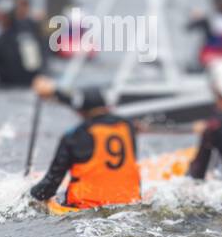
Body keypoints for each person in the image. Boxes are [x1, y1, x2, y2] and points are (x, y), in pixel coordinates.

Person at [28, 78, 141, 210]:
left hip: (86, 206)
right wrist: (54, 92)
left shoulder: (74, 136)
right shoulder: (127, 127)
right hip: (130, 203)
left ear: (80, 111)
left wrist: (29, 195)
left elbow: (50, 185)